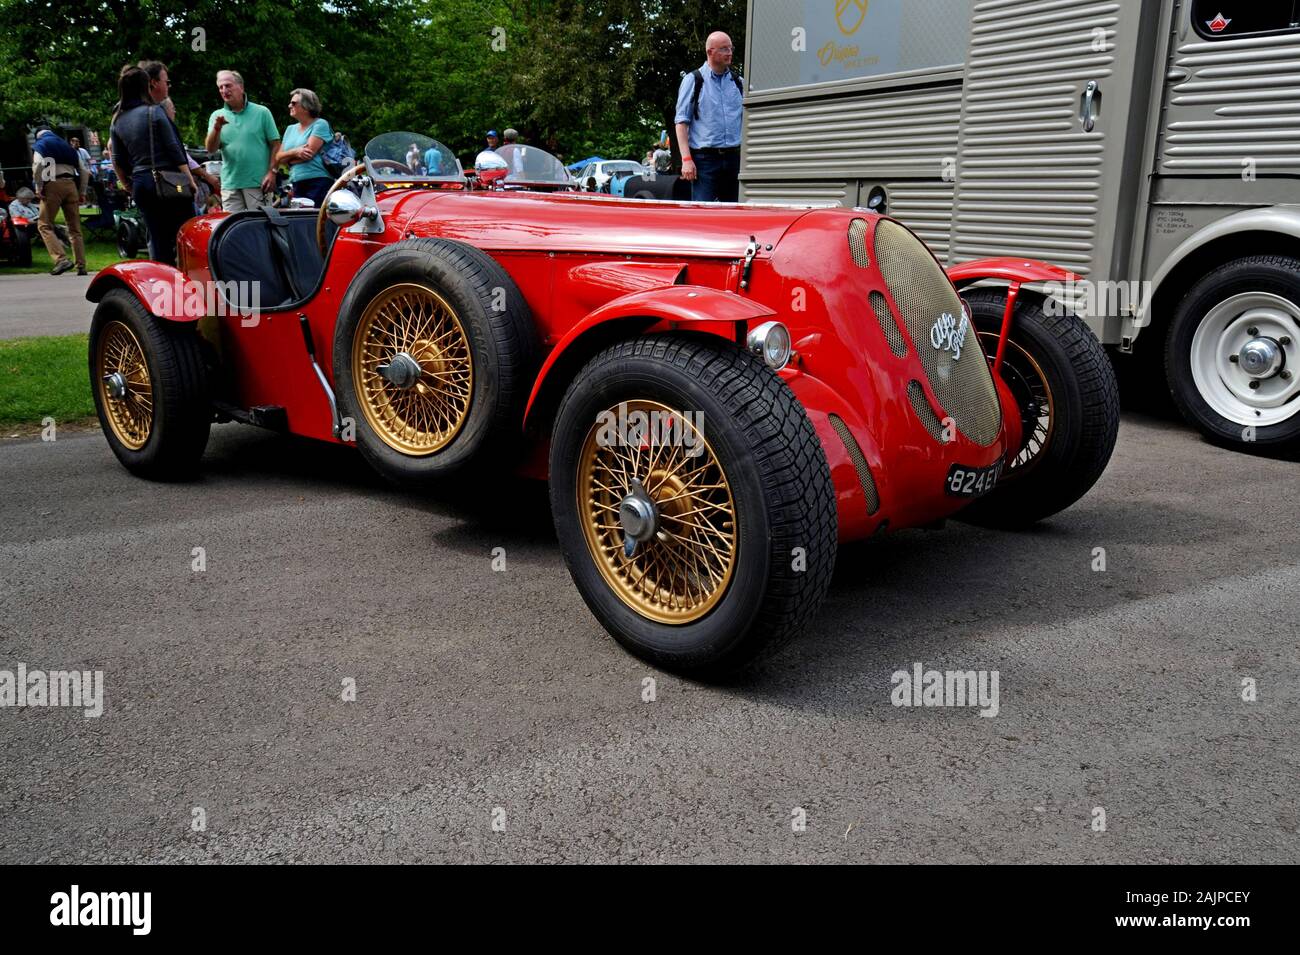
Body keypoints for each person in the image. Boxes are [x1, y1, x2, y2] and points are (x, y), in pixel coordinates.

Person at [109, 65, 196, 265]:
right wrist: (189, 178)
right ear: (146, 87)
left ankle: (162, 284)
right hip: (169, 181)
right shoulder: (154, 112)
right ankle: (189, 279)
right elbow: (174, 148)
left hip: (141, 182)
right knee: (185, 232)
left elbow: (118, 159)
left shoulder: (118, 120)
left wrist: (128, 184)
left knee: (157, 239)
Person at [673, 31, 744, 202]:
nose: (730, 53)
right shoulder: (693, 80)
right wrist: (687, 159)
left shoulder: (738, 82)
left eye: (731, 48)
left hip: (734, 158)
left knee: (734, 212)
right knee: (703, 212)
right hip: (704, 161)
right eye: (724, 49)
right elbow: (681, 122)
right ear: (710, 52)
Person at [204, 69, 280, 211]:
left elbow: (276, 145)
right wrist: (217, 128)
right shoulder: (217, 115)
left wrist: (272, 172)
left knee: (259, 229)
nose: (224, 90)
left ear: (241, 87)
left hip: (258, 183)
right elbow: (210, 149)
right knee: (233, 230)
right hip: (230, 185)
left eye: (228, 85)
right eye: (220, 87)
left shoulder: (262, 112)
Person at [31, 126, 89, 275]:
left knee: (44, 225)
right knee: (75, 228)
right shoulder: (67, 146)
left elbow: (38, 165)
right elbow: (84, 170)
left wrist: (39, 187)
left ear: (38, 135)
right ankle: (81, 265)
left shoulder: (41, 144)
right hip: (70, 185)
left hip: (52, 184)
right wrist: (82, 191)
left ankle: (61, 259)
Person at [161, 97, 220, 215]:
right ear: (165, 111)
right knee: (191, 218)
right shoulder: (166, 130)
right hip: (174, 186)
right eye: (173, 108)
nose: (175, 112)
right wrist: (199, 178)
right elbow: (183, 159)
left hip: (160, 186)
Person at [274, 88, 333, 207]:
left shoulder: (320, 124)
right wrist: (296, 151)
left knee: (314, 220)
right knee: (299, 220)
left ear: (307, 106)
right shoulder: (290, 129)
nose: (289, 105)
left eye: (294, 103)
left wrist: (288, 160)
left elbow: (307, 155)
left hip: (318, 181)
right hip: (296, 182)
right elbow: (278, 157)